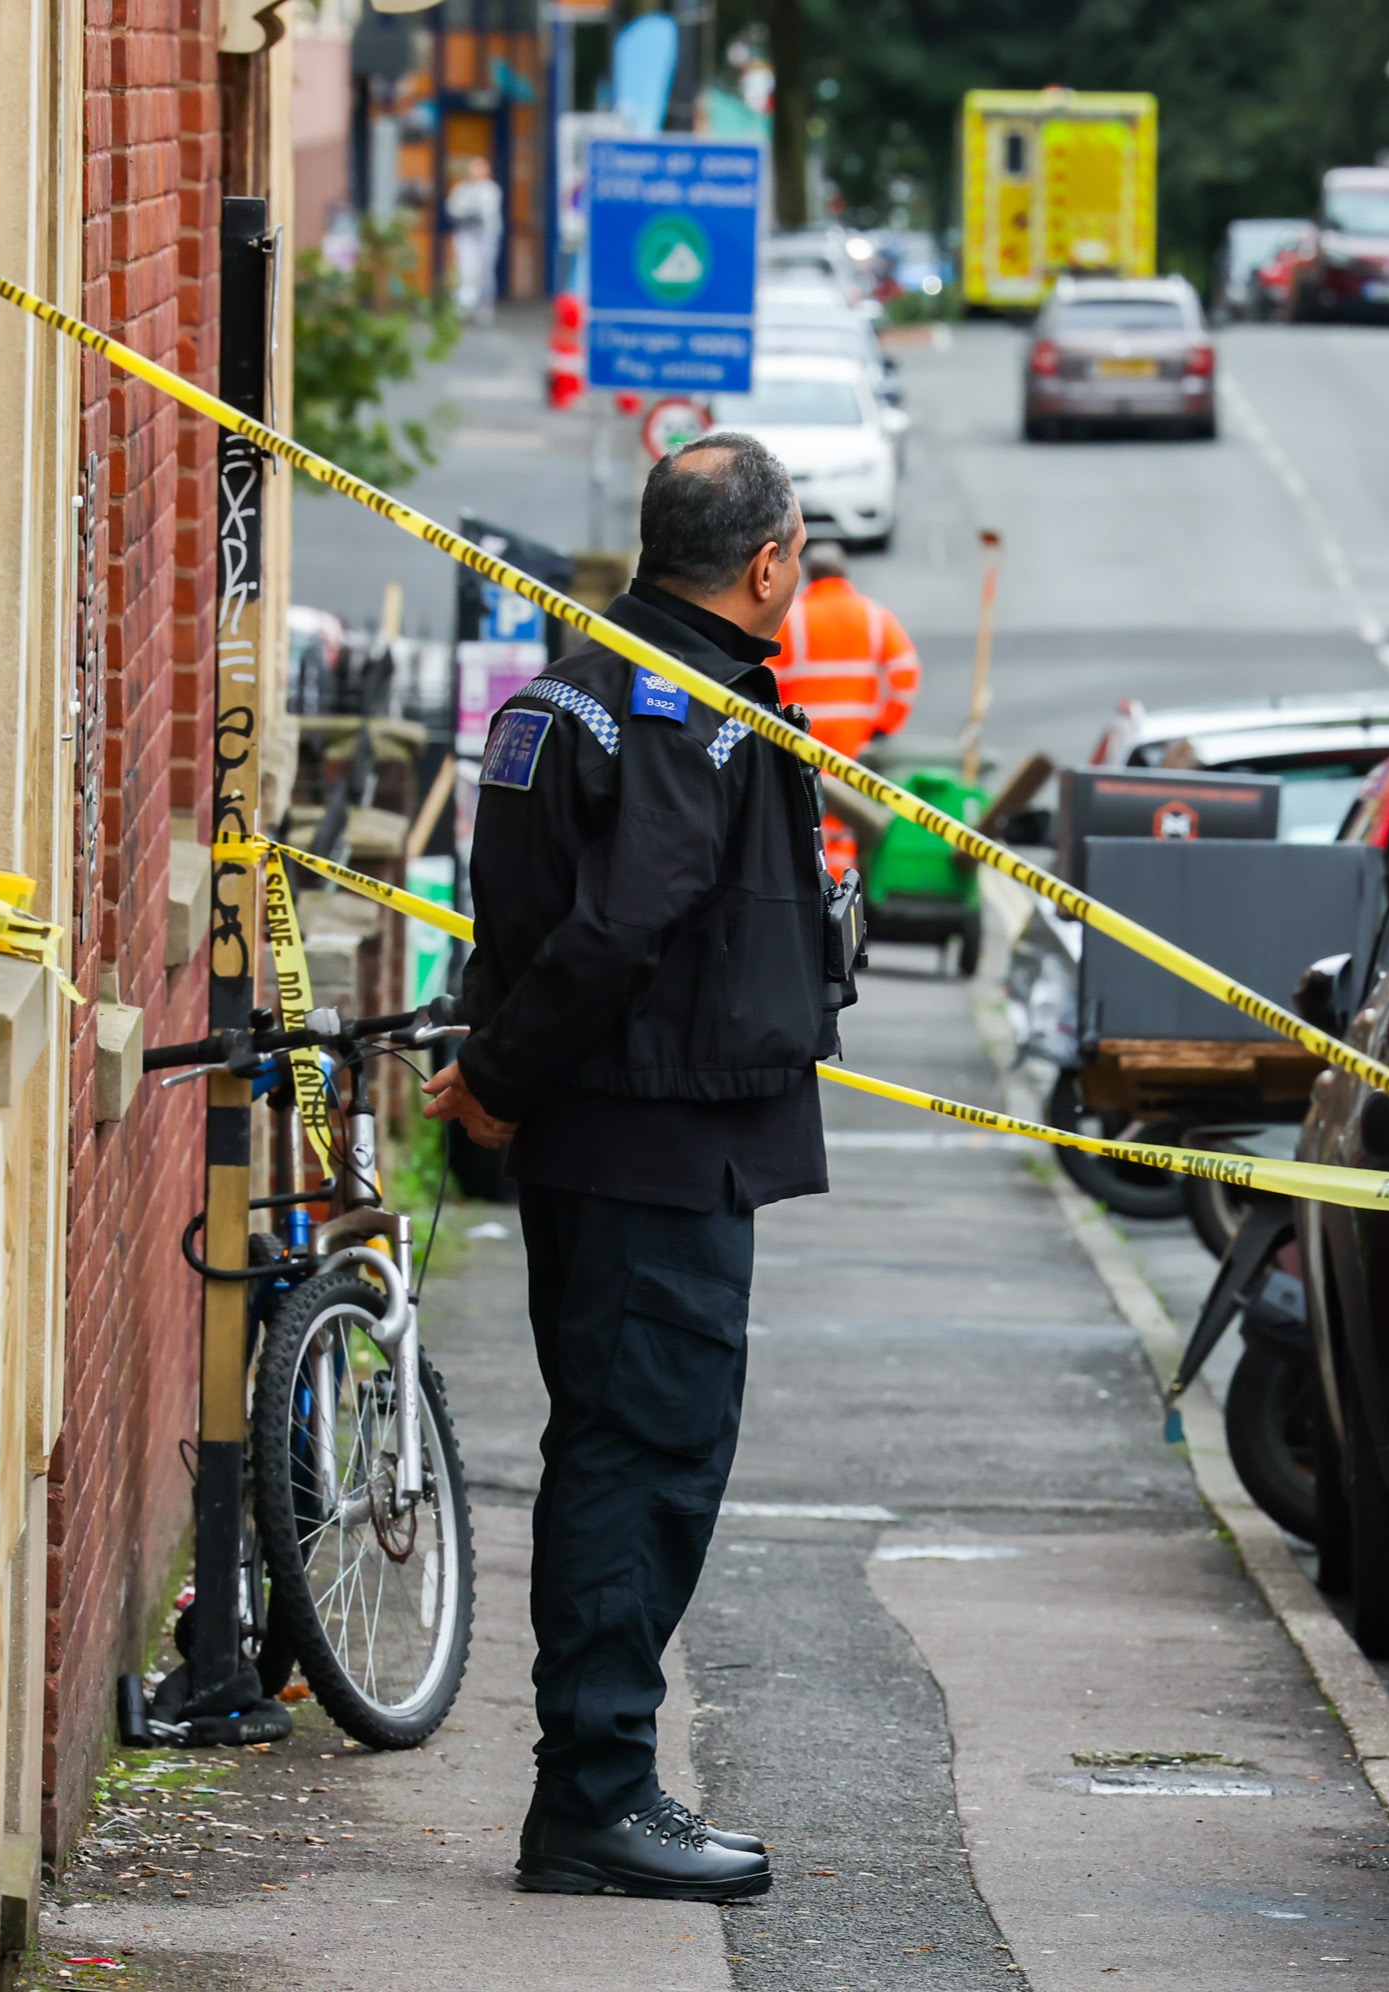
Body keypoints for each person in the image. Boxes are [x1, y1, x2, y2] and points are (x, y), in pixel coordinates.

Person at [424, 434, 848, 1902]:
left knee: (617, 1445)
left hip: (617, 1137)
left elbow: (536, 916)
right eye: (799, 550)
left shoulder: (575, 693)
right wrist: (491, 1078)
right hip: (658, 1145)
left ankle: (597, 1791)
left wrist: (501, 1070)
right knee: (640, 1461)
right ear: (766, 562)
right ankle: (596, 1801)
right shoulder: (688, 713)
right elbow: (619, 927)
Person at [777, 541, 921, 760]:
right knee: (847, 793)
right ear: (844, 571)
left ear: (808, 573)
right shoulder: (873, 615)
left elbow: (767, 674)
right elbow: (905, 671)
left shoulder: (791, 618)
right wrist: (886, 724)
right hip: (857, 736)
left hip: (801, 734)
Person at [446, 156, 504, 322]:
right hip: (466, 235)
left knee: (484, 271)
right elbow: (453, 209)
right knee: (466, 269)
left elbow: (484, 212)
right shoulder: (462, 188)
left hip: (485, 236)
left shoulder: (490, 189)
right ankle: (464, 305)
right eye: (472, 169)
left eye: (479, 169)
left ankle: (484, 306)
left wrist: (468, 214)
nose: (474, 172)